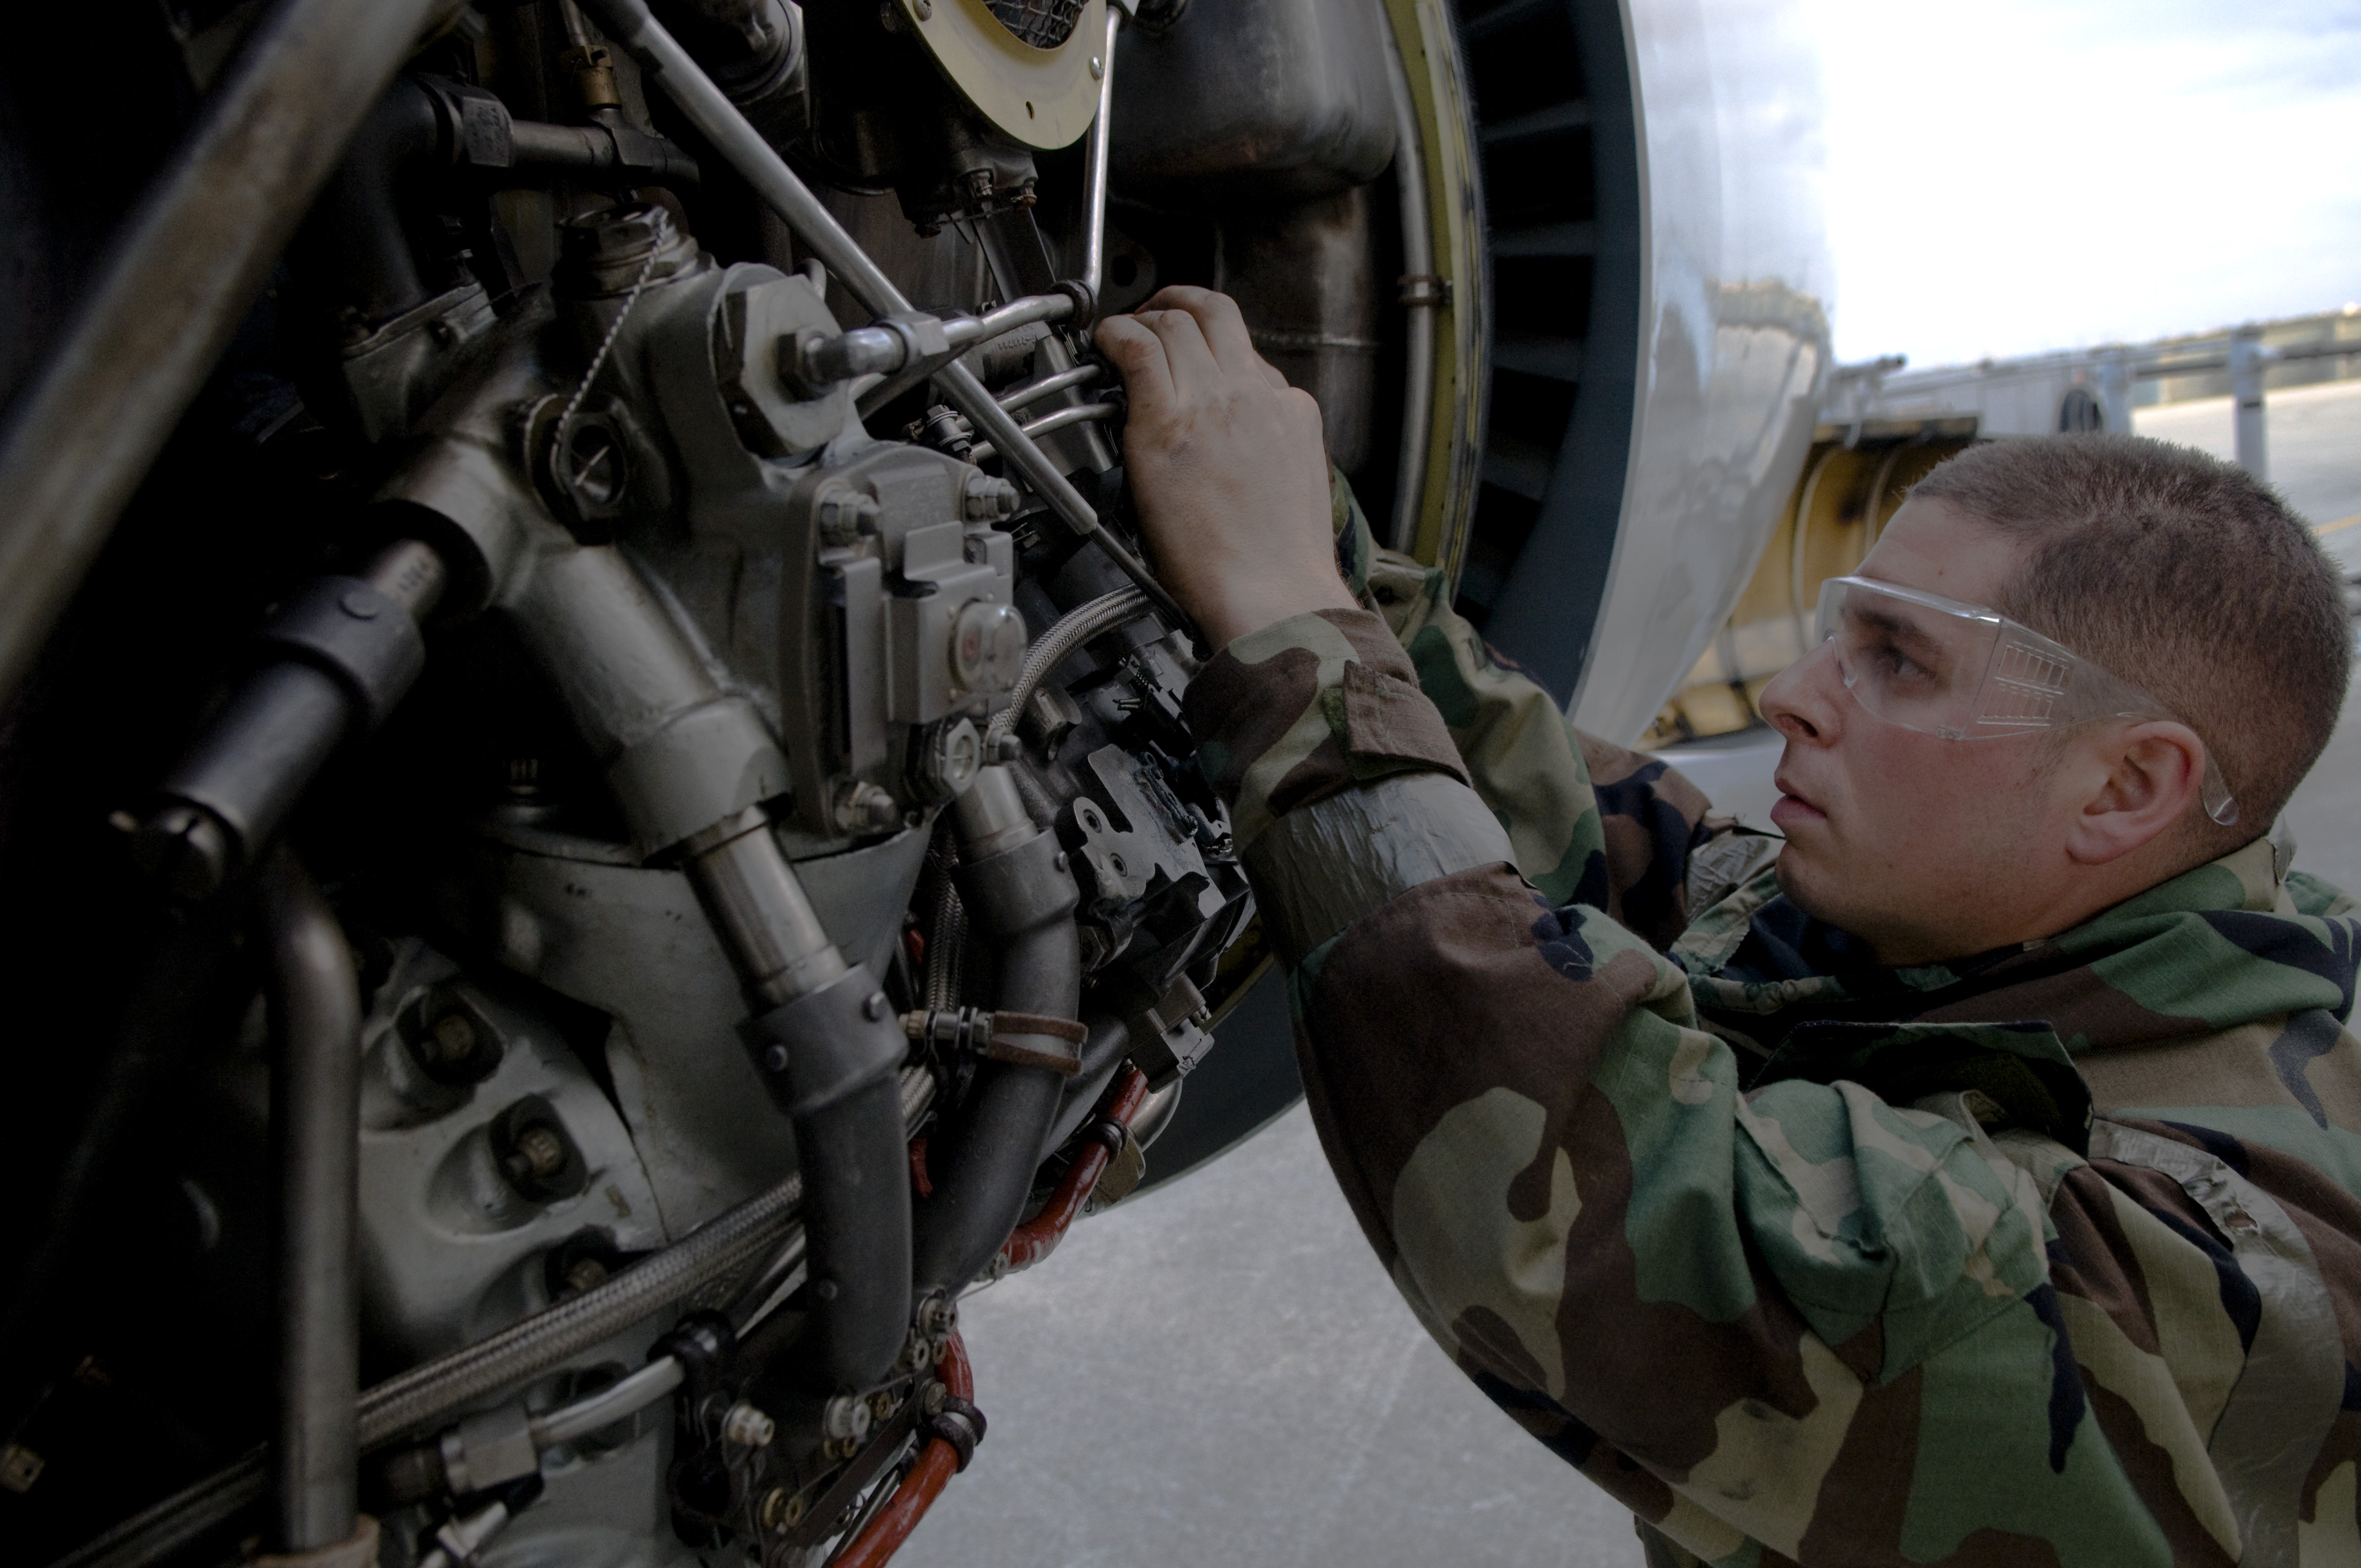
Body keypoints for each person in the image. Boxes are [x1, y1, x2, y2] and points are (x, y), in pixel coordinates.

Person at [1093, 287, 2361, 1566]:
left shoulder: (2200, 1264)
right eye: (1838, 634)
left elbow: (1612, 1203)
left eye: (1897, 658)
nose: (1790, 695)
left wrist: (1283, 620)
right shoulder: (1979, 948)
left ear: (2124, 787)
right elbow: (1595, 845)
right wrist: (1291, 519)